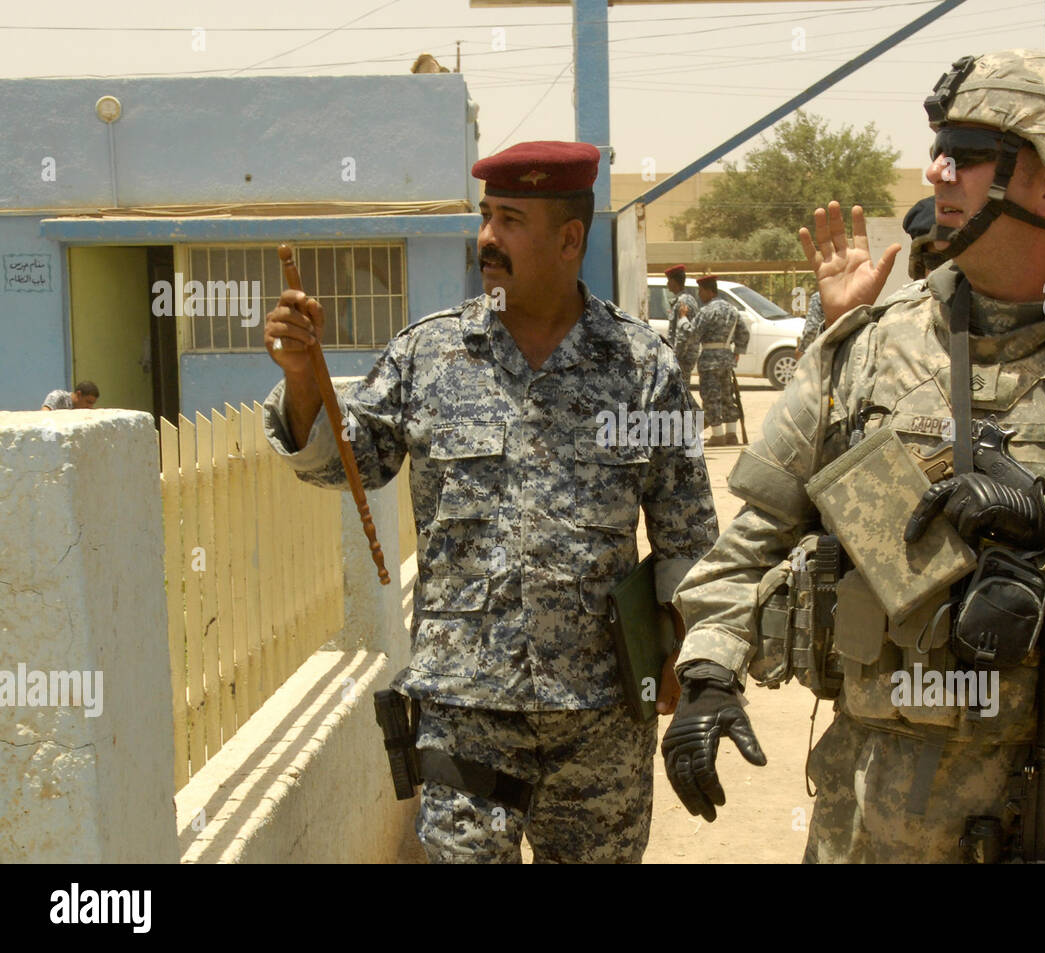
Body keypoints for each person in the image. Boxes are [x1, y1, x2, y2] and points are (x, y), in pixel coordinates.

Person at [661, 50, 1045, 863]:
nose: (935, 170)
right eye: (938, 149)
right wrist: (709, 672)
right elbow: (752, 543)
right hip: (863, 830)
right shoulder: (866, 347)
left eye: (964, 153)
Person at [261, 140, 718, 864]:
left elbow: (687, 531)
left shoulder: (640, 367)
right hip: (465, 712)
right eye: (485, 218)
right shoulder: (430, 354)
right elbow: (346, 464)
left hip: (599, 716)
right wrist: (300, 378)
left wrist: (689, 655)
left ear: (569, 238)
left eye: (509, 220)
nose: (486, 239)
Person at [793, 197, 938, 363]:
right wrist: (841, 329)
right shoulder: (897, 330)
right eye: (938, 260)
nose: (951, 273)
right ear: (921, 266)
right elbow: (836, 383)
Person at [678, 275, 748, 446]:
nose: (700, 295)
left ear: (709, 291)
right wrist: (737, 351)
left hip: (709, 360)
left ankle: (718, 435)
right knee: (727, 396)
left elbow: (692, 334)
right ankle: (732, 434)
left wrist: (683, 320)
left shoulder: (707, 311)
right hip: (726, 358)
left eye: (701, 291)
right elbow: (744, 333)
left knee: (711, 397)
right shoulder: (732, 310)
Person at [663, 264, 700, 379]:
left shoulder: (682, 302)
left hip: (682, 358)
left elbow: (684, 333)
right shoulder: (687, 299)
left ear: (674, 282)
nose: (667, 284)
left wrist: (675, 357)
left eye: (669, 280)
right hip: (684, 356)